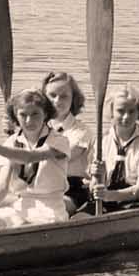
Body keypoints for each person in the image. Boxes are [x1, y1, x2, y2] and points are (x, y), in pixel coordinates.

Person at [0, 90, 71, 228]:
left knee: (21, 227)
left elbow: (29, 157)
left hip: (51, 209)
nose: (29, 121)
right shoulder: (11, 142)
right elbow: (2, 185)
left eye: (35, 114)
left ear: (45, 114)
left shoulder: (59, 141)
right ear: (15, 116)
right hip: (20, 206)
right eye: (23, 115)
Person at [90, 84, 139, 213]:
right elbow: (94, 187)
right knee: (78, 219)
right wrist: (98, 177)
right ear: (112, 112)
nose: (126, 117)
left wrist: (110, 196)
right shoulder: (102, 141)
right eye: (120, 111)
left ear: (138, 113)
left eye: (131, 111)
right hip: (106, 201)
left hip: (138, 202)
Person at [43, 71, 94, 215]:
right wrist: (13, 133)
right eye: (52, 95)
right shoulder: (37, 128)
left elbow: (61, 157)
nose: (57, 101)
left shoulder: (82, 132)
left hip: (71, 189)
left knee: (47, 211)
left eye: (64, 96)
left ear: (74, 100)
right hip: (39, 186)